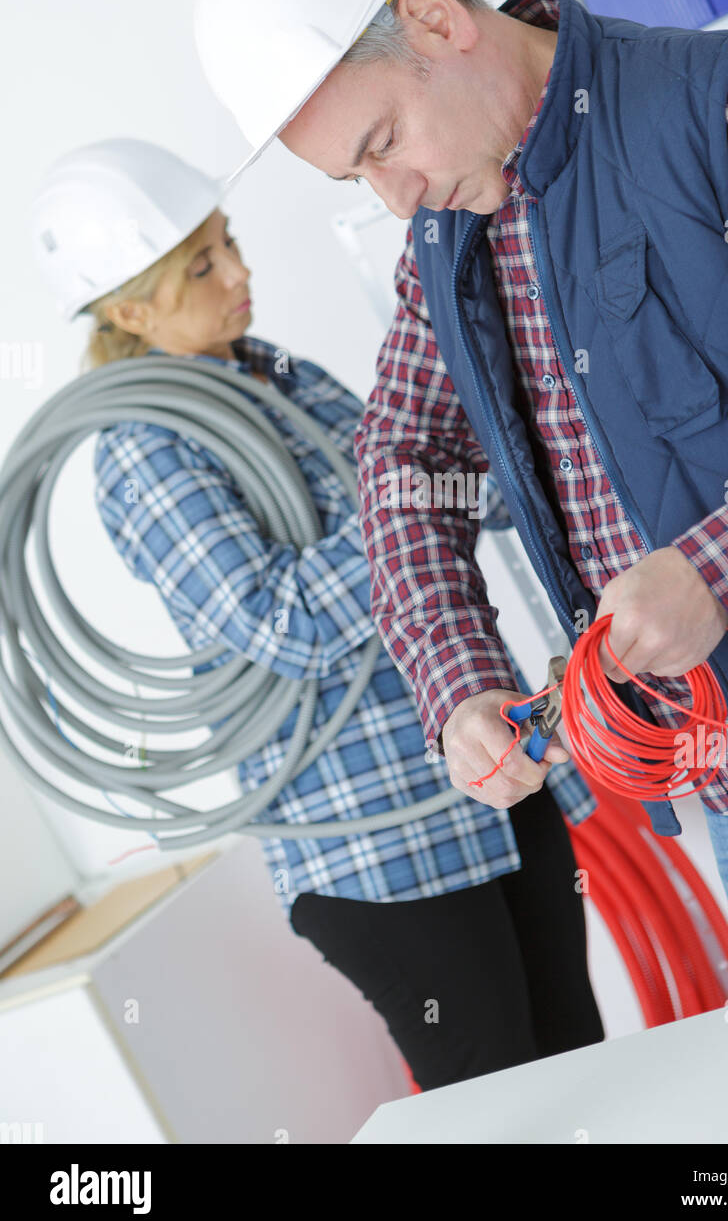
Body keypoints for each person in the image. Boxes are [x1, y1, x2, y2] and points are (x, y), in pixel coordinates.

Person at [193, 0, 728, 987]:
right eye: (356, 175)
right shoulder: (448, 238)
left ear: (434, 21)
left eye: (385, 142)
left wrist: (722, 574)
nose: (396, 197)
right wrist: (456, 679)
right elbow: (403, 466)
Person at [31, 137, 604, 1091]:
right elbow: (278, 622)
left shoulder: (278, 374)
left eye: (229, 243)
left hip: (492, 776)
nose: (241, 272)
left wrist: (495, 463)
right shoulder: (143, 447)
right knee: (496, 1107)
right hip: (373, 841)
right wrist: (409, 509)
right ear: (131, 308)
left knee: (585, 1074)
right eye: (203, 265)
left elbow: (427, 478)